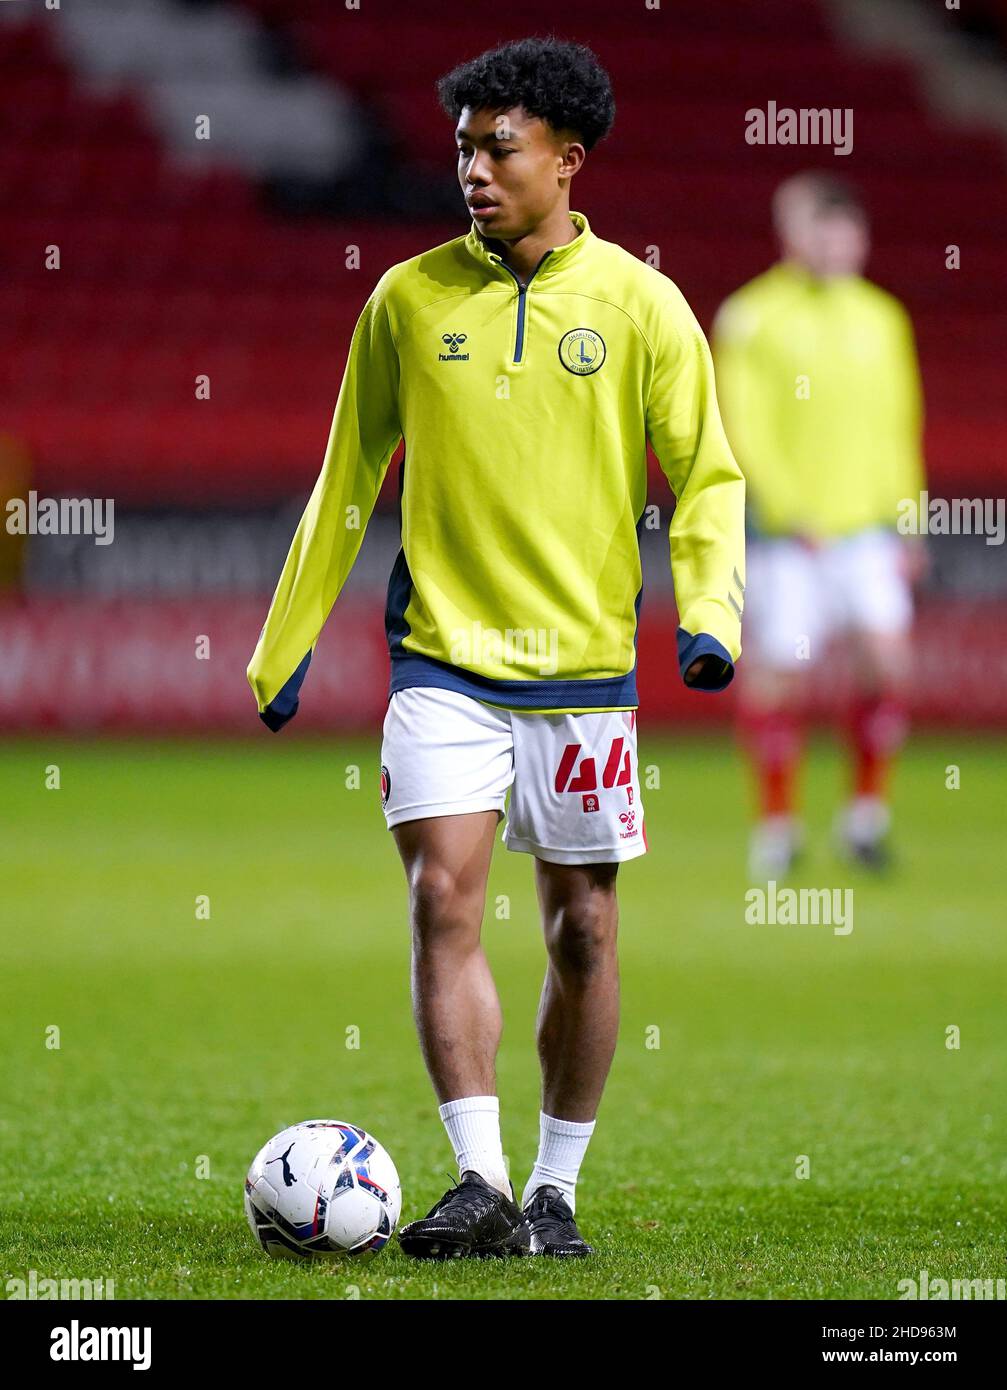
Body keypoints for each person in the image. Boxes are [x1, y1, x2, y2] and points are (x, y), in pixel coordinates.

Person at [247, 37, 745, 1259]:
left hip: (580, 675)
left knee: (581, 927)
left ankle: (555, 1190)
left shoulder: (639, 304)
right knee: (440, 897)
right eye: (465, 145)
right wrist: (284, 645)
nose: (472, 167)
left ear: (567, 161)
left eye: (498, 147)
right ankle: (476, 1176)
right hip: (443, 661)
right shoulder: (406, 301)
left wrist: (708, 615)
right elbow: (343, 480)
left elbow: (709, 476)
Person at [712, 173, 926, 878]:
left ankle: (865, 818)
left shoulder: (881, 317)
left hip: (865, 529)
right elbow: (743, 424)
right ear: (791, 234)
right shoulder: (751, 317)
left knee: (885, 660)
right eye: (812, 227)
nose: (829, 242)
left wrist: (911, 520)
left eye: (840, 230)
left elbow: (899, 428)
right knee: (779, 675)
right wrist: (784, 505)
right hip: (787, 536)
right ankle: (775, 829)